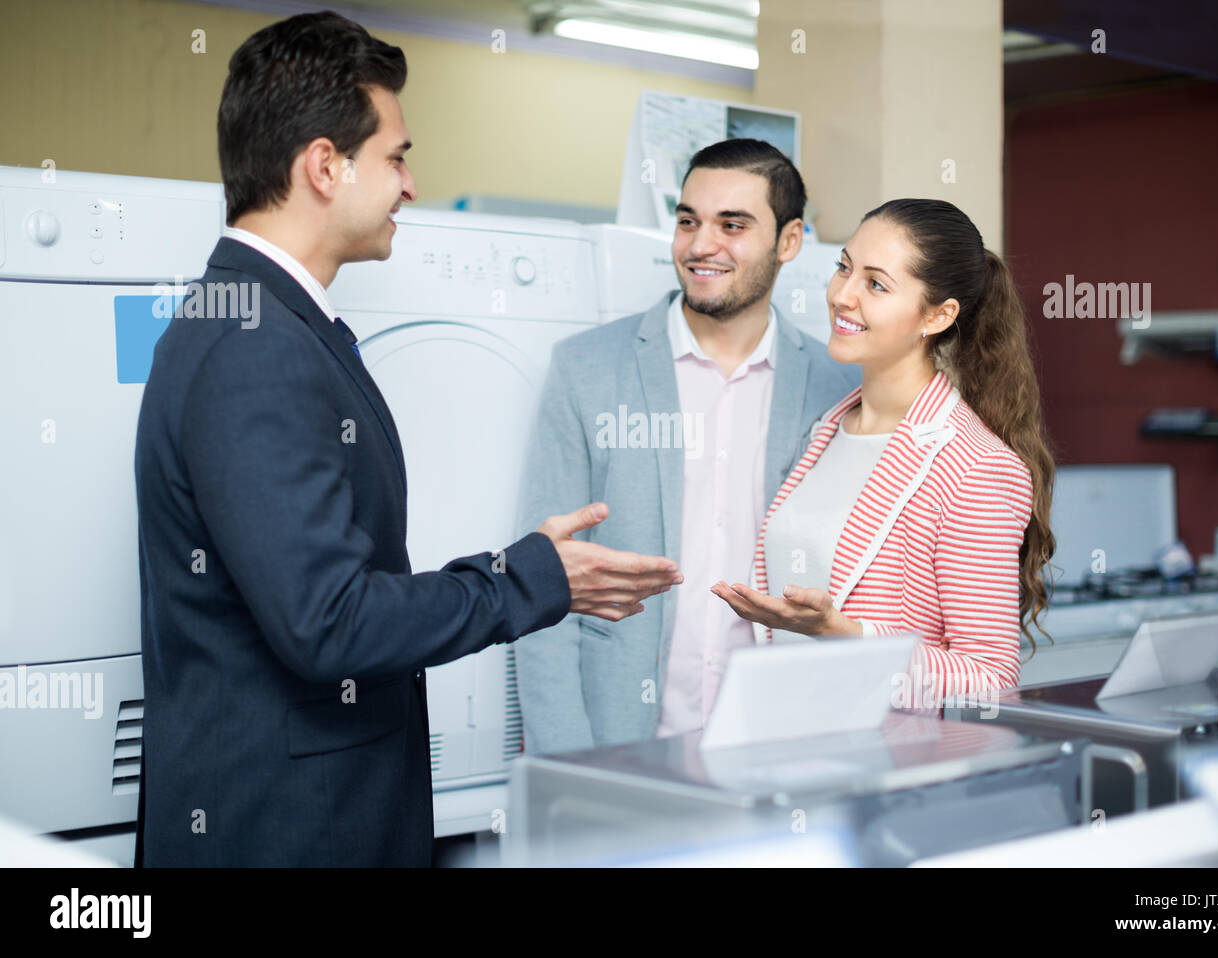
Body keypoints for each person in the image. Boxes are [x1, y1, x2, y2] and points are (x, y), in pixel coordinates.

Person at [132, 11, 679, 867]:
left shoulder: (260, 322)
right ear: (324, 165)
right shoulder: (256, 348)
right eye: (396, 156)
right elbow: (330, 622)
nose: (411, 185)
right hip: (290, 831)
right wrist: (530, 577)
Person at [515, 139, 858, 753]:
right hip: (621, 742)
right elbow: (540, 580)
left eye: (733, 225)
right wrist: (566, 769)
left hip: (785, 742)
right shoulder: (585, 370)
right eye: (687, 221)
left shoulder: (837, 388)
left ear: (789, 240)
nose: (701, 245)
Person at [712, 198, 1056, 703]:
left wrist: (845, 636)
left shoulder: (975, 467)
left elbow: (991, 676)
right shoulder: (826, 430)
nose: (842, 296)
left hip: (894, 764)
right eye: (843, 268)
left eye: (875, 284)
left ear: (938, 316)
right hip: (789, 751)